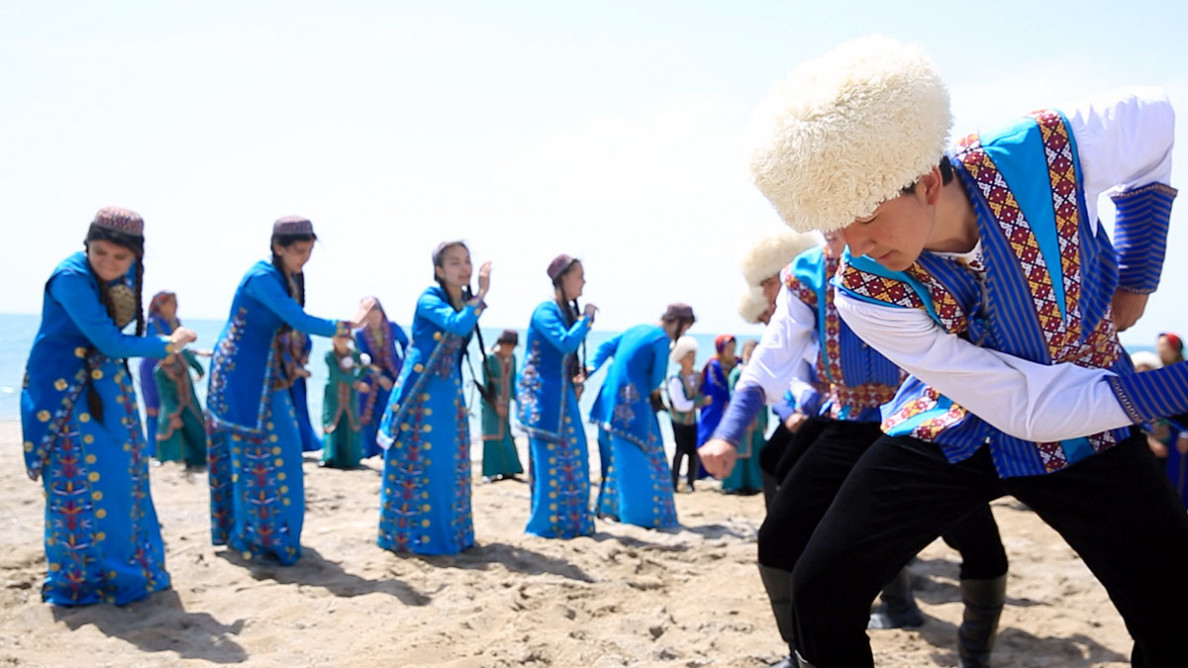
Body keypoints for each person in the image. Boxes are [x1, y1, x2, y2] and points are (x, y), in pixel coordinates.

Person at [743, 35, 1188, 667]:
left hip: (1094, 427)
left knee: (1177, 608)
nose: (852, 246)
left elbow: (1153, 120)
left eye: (864, 218)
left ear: (924, 181)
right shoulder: (864, 294)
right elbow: (1024, 408)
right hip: (949, 423)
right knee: (822, 593)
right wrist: (1176, 388)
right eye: (834, 227)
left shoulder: (1041, 152)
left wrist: (1140, 271)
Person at [704, 232, 1008, 668]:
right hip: (847, 421)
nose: (832, 227)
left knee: (980, 544)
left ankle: (974, 656)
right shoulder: (806, 273)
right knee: (779, 537)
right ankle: (800, 653)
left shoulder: (908, 249)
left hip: (923, 417)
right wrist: (728, 432)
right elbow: (772, 361)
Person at [21, 207, 197, 606]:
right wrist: (169, 343)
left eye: (120, 257)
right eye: (100, 252)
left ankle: (132, 573)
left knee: (125, 478)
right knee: (76, 483)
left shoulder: (125, 274)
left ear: (136, 257)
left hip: (108, 386)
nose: (109, 263)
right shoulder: (70, 278)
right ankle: (79, 582)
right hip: (65, 393)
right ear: (87, 244)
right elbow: (111, 342)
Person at [206, 216, 370, 565]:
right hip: (240, 374)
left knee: (285, 452)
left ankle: (273, 537)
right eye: (299, 252)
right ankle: (254, 539)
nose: (304, 259)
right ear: (277, 247)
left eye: (309, 252)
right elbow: (297, 319)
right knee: (253, 455)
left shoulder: (290, 274)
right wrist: (349, 324)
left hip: (268, 373)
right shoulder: (262, 277)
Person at [377, 241, 491, 555]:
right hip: (420, 395)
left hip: (449, 392)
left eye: (467, 261)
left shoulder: (463, 300)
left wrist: (475, 299)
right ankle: (409, 538)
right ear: (439, 271)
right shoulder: (430, 299)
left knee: (449, 464)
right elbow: (458, 324)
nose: (464, 268)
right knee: (419, 462)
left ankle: (451, 536)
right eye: (454, 262)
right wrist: (482, 294)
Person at [588, 303, 695, 529]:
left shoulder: (636, 329)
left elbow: (606, 346)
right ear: (677, 322)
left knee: (613, 458)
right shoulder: (661, 340)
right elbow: (656, 378)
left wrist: (589, 369)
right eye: (684, 329)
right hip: (633, 406)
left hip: (607, 398)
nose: (682, 335)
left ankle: (607, 508)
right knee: (645, 458)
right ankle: (640, 515)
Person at [518, 255, 597, 538]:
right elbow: (565, 343)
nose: (584, 282)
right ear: (563, 279)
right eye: (579, 275)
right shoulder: (545, 311)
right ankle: (543, 526)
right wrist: (586, 319)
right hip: (542, 399)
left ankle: (572, 522)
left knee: (575, 458)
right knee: (549, 463)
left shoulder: (563, 312)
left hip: (560, 396)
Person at [146, 291, 208, 470]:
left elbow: (182, 347)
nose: (175, 307)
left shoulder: (176, 322)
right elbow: (157, 344)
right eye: (171, 303)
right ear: (160, 305)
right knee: (157, 409)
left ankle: (183, 452)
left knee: (183, 407)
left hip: (177, 365)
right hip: (154, 365)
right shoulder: (154, 323)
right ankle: (155, 451)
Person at [355, 299, 409, 459]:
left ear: (381, 314)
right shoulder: (360, 334)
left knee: (394, 408)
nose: (373, 320)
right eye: (369, 317)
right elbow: (362, 358)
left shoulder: (392, 327)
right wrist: (379, 377)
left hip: (395, 371)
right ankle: (371, 448)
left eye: (375, 316)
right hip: (372, 374)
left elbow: (407, 344)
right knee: (367, 410)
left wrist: (406, 365)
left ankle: (392, 447)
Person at [722, 339, 764, 495]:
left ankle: (753, 483)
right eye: (749, 352)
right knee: (739, 451)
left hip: (757, 415)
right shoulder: (737, 372)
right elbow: (734, 395)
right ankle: (734, 484)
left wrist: (763, 419)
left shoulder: (761, 372)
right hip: (742, 416)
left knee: (755, 450)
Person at [667, 335, 708, 492]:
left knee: (692, 452)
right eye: (688, 356)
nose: (692, 359)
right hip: (679, 420)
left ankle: (691, 482)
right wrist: (700, 402)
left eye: (693, 356)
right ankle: (674, 482)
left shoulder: (698, 377)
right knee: (680, 450)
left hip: (691, 421)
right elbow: (681, 405)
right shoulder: (675, 380)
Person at [321, 336, 368, 469]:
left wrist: (359, 377)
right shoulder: (329, 355)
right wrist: (356, 383)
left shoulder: (354, 354)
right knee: (332, 421)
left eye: (343, 338)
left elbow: (364, 366)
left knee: (351, 421)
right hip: (334, 393)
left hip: (350, 394)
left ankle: (351, 458)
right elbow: (336, 374)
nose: (340, 341)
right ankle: (330, 457)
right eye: (338, 338)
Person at [482, 329, 523, 482]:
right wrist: (495, 403)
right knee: (491, 434)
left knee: (506, 433)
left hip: (506, 402)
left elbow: (513, 381)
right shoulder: (489, 358)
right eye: (508, 346)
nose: (509, 350)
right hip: (490, 403)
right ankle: (490, 472)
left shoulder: (512, 358)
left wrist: (517, 400)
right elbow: (486, 385)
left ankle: (509, 469)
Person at [696, 335, 736, 448]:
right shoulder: (714, 365)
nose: (731, 352)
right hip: (714, 406)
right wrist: (727, 399)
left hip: (730, 405)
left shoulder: (736, 362)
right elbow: (716, 385)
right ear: (720, 349)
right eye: (728, 349)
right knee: (709, 435)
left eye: (733, 349)